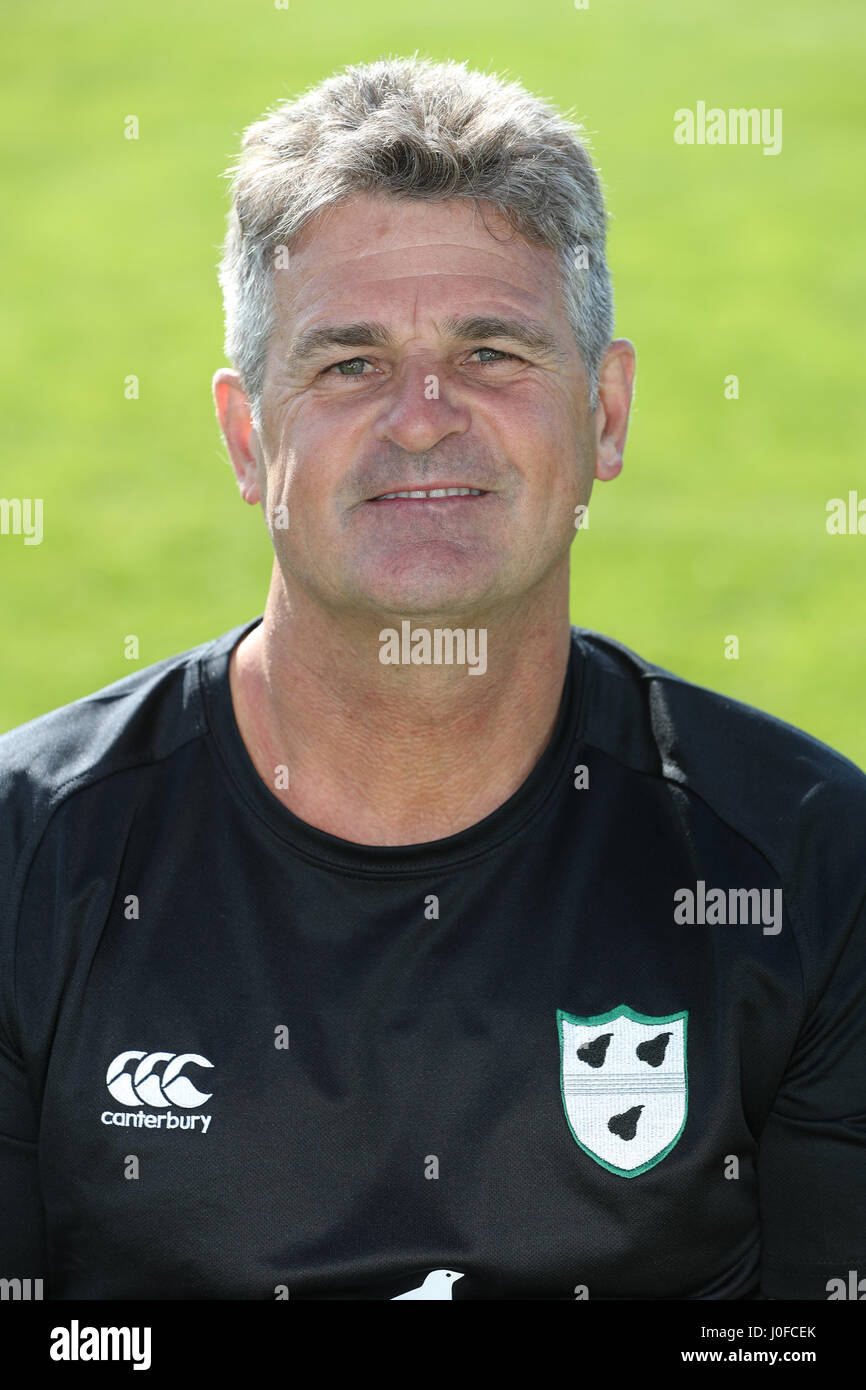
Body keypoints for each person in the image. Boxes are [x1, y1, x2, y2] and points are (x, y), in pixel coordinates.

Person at [1, 55, 863, 1301]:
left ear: (605, 412)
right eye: (348, 364)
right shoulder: (31, 859)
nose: (421, 415)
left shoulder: (807, 867)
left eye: (492, 352)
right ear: (248, 438)